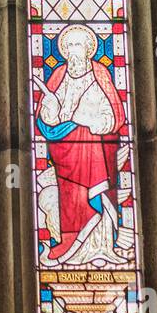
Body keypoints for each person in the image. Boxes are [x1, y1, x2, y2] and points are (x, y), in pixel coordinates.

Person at [35, 24, 129, 268]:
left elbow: (113, 117)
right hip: (65, 152)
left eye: (78, 45)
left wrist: (90, 121)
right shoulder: (58, 77)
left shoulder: (99, 75)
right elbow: (47, 119)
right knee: (69, 200)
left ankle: (101, 246)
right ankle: (71, 246)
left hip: (93, 151)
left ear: (89, 49)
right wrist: (51, 110)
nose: (73, 50)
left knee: (95, 196)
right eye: (70, 46)